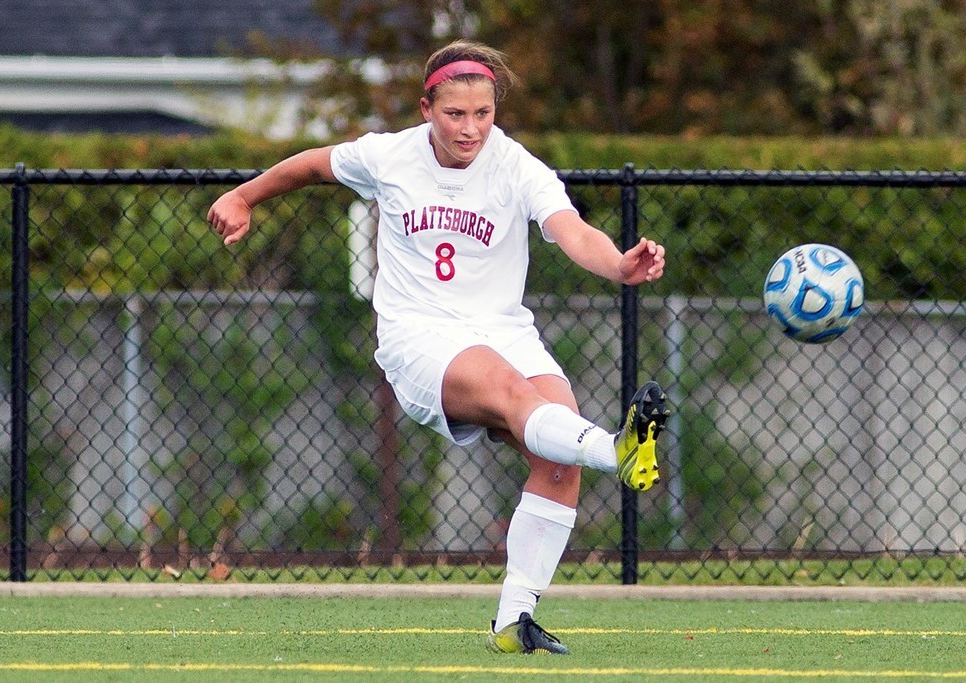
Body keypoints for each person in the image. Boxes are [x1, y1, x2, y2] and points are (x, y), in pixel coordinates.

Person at [207, 39, 670, 655]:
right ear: (427, 108)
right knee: (515, 396)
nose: (471, 128)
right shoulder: (389, 156)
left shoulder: (517, 166)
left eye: (483, 114)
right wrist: (244, 197)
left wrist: (619, 264)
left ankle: (515, 619)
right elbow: (313, 165)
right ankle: (617, 450)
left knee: (558, 448)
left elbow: (571, 230)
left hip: (503, 329)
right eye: (456, 114)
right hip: (419, 336)